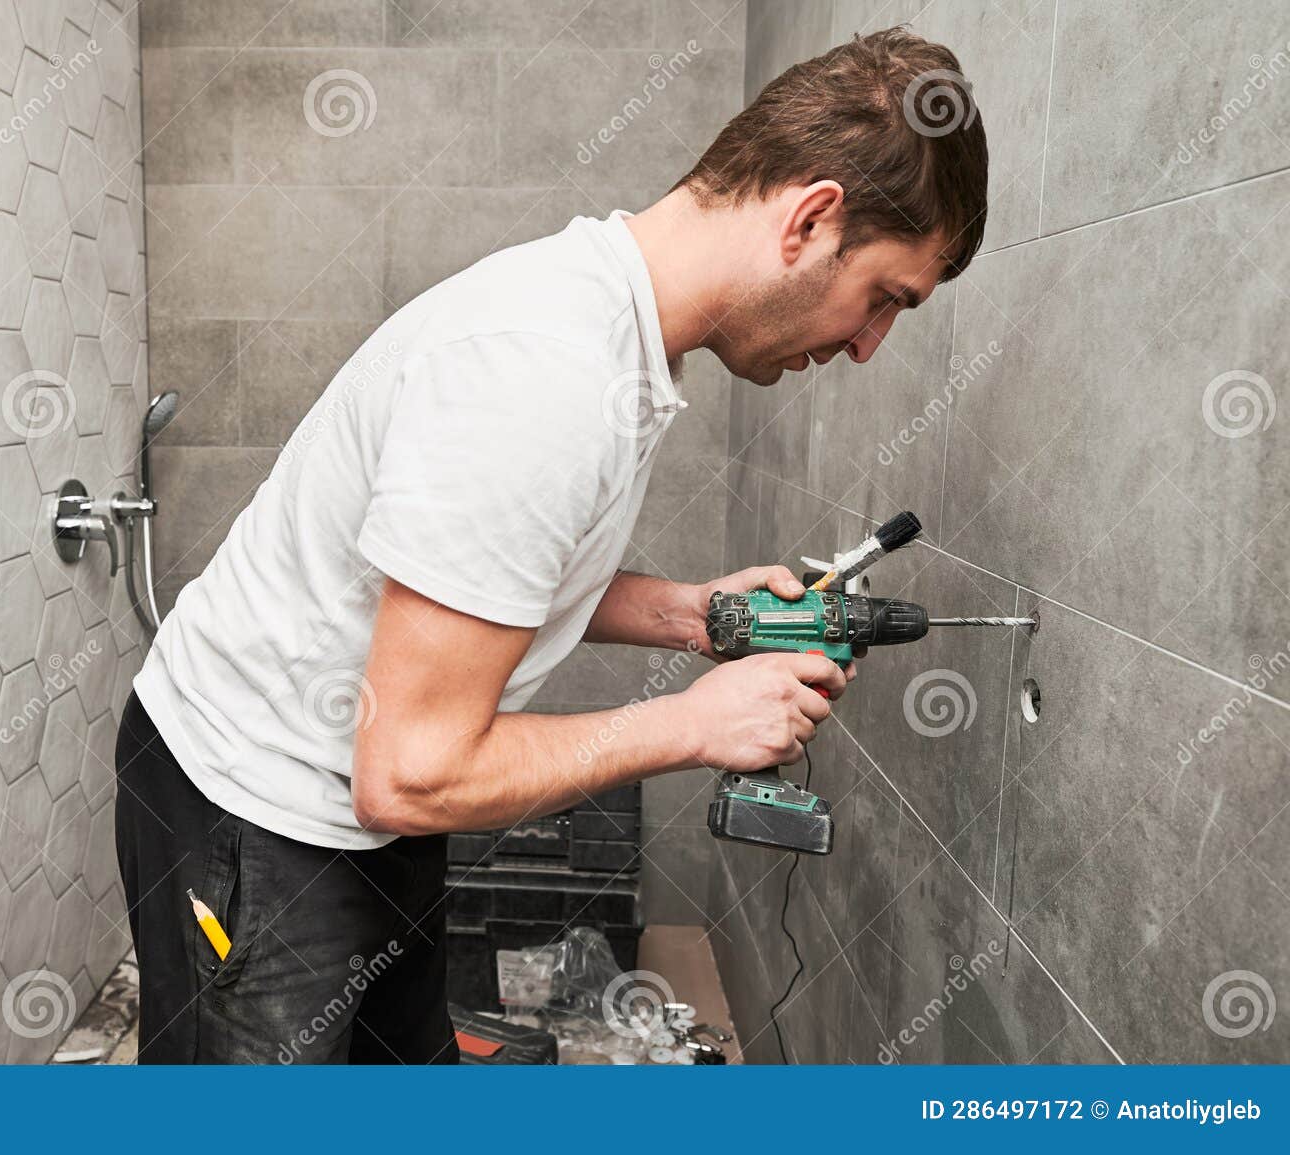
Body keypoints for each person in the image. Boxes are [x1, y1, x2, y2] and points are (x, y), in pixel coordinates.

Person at [114, 26, 988, 1064]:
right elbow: (413, 771)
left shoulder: (607, 329)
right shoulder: (546, 373)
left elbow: (487, 569)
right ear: (810, 217)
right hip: (251, 806)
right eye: (885, 296)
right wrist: (693, 724)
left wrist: (690, 615)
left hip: (352, 807)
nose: (865, 343)